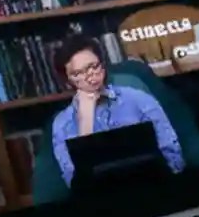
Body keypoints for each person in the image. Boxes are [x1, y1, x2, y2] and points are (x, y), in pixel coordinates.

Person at [50, 34, 185, 185]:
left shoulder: (137, 99)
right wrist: (85, 119)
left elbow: (173, 154)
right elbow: (76, 182)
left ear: (103, 66)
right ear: (67, 82)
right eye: (78, 73)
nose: (90, 76)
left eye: (93, 67)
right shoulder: (62, 124)